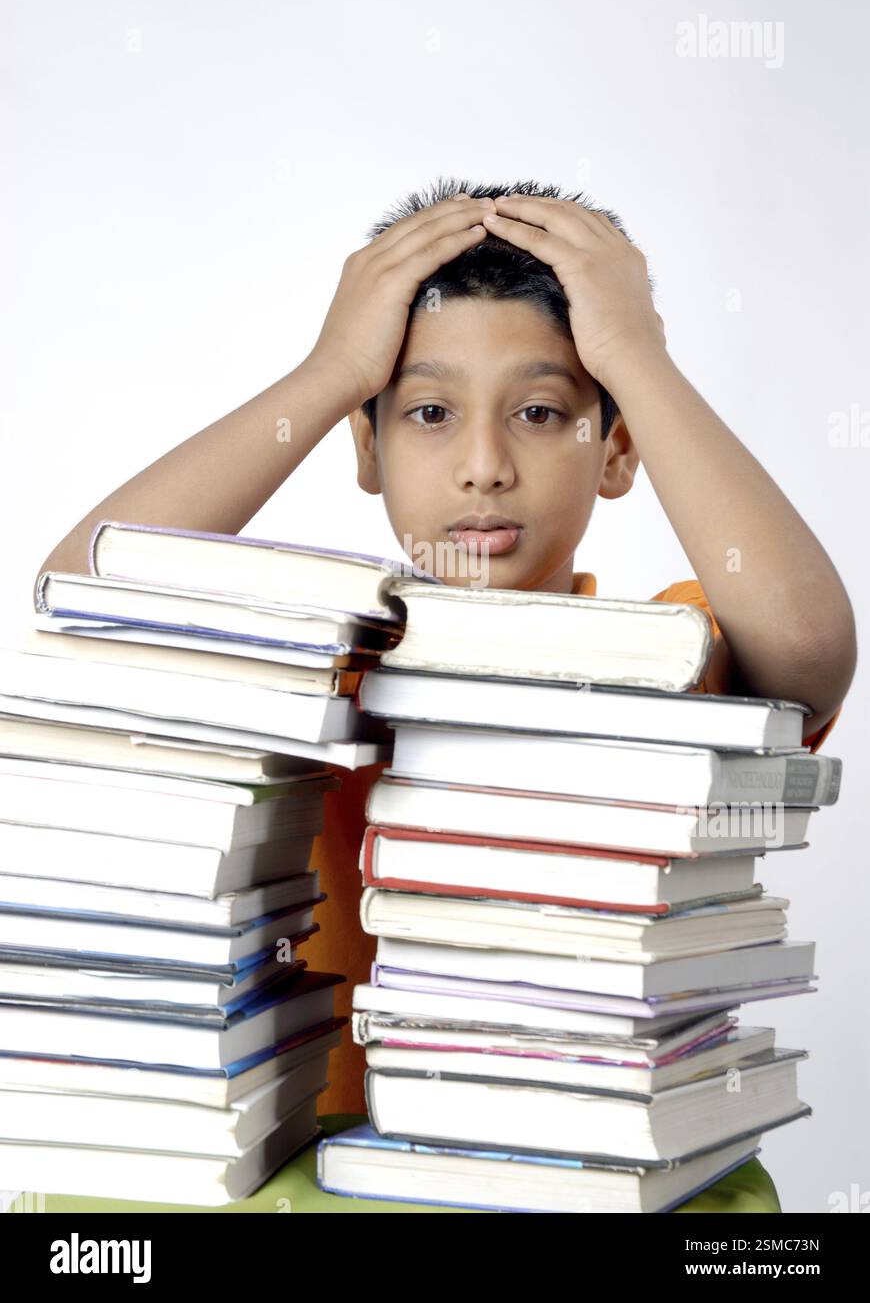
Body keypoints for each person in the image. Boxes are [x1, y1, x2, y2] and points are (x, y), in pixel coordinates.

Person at [38, 177, 856, 1212]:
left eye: (542, 412)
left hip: (578, 1160)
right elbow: (82, 602)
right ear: (367, 446)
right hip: (318, 1161)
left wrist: (638, 358)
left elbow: (812, 643)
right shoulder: (305, 660)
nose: (483, 467)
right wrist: (333, 369)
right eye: (429, 412)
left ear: (616, 449)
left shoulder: (661, 663)